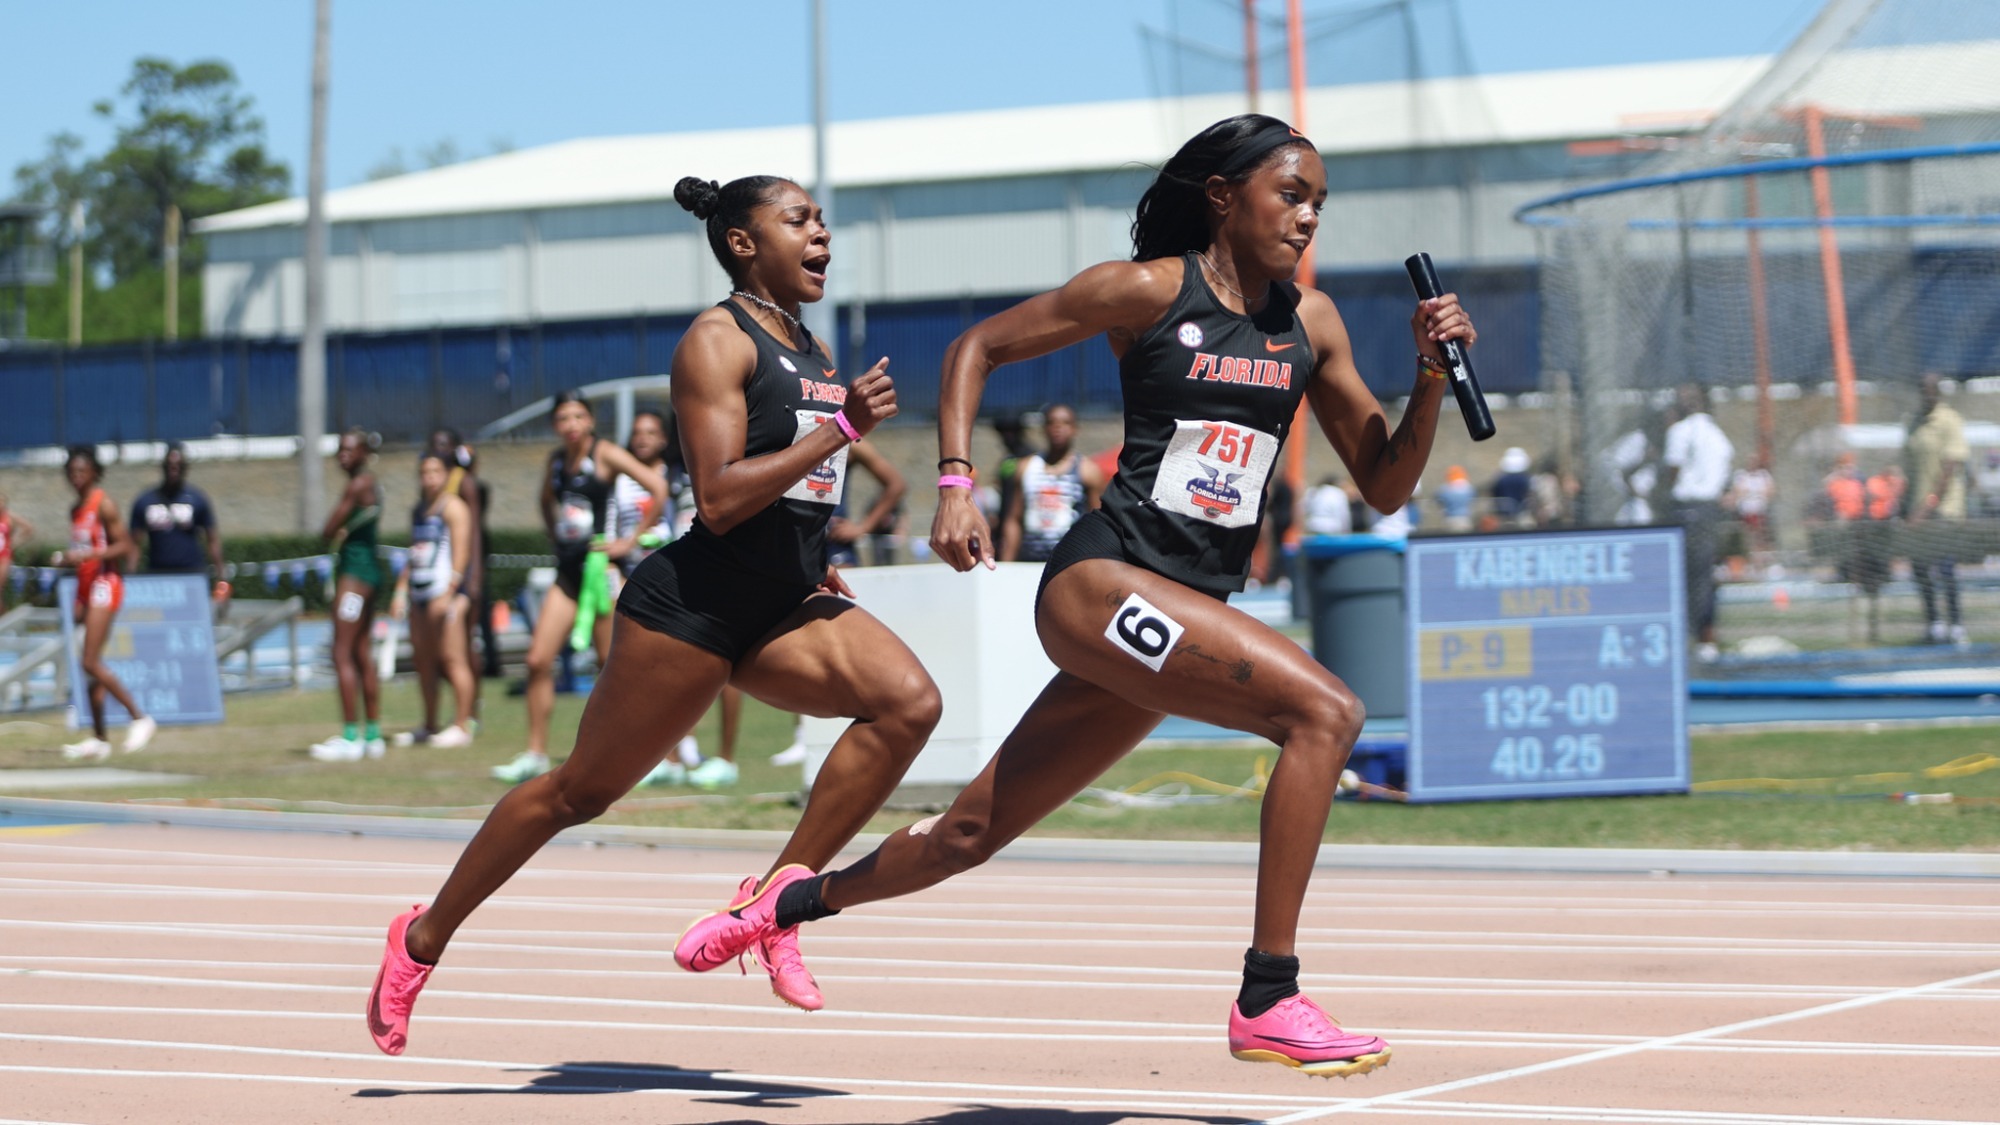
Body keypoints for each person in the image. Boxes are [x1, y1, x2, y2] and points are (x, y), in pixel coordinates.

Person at [668, 114, 1474, 1080]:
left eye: (1319, 204)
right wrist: (956, 483)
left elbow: (1385, 483)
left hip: (1181, 610)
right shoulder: (1145, 289)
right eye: (1291, 195)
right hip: (1102, 585)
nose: (1308, 218)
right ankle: (1269, 994)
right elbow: (975, 348)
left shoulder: (1315, 322)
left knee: (967, 835)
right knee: (1326, 712)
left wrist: (1430, 375)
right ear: (1225, 198)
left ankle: (781, 905)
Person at [364, 172, 944, 1058]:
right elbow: (718, 497)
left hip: (783, 602)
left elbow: (798, 485)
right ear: (744, 242)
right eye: (799, 220)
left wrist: (811, 550)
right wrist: (844, 428)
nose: (822, 234)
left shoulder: (812, 348)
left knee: (908, 703)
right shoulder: (715, 340)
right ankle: (420, 938)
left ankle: (774, 905)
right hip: (694, 608)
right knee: (577, 793)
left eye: (823, 220)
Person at [488, 391, 668, 783]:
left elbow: (658, 487)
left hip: (599, 574)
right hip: (568, 573)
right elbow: (545, 499)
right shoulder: (556, 461)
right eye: (563, 418)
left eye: (577, 416)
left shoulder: (605, 454)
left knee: (610, 667)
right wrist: (554, 534)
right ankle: (536, 753)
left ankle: (628, 755)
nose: (570, 425)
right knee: (537, 660)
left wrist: (629, 541)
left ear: (590, 420)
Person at [54, 445, 157, 760]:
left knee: (89, 661)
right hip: (87, 588)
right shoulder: (75, 509)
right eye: (72, 472)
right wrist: (70, 562)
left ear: (94, 473)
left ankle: (140, 718)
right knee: (88, 668)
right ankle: (99, 739)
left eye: (82, 471)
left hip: (106, 584)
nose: (76, 477)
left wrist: (89, 555)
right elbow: (83, 551)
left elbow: (126, 546)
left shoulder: (103, 503)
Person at [312, 429, 388, 762]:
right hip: (370, 574)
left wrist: (337, 531)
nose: (342, 455)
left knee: (341, 651)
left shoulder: (357, 485)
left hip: (355, 576)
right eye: (340, 449)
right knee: (361, 652)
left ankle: (350, 736)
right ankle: (372, 734)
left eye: (349, 449)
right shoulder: (373, 484)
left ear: (364, 453)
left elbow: (327, 531)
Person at [394, 452, 477, 749]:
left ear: (446, 474)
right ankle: (429, 724)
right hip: (419, 594)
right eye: (424, 472)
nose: (429, 478)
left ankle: (462, 725)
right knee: (424, 662)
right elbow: (414, 552)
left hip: (443, 594)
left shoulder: (453, 507)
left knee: (453, 659)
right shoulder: (419, 510)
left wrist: (451, 591)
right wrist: (400, 590)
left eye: (435, 472)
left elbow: (463, 553)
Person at [1659, 383, 1734, 663]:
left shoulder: (1681, 431)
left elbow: (1673, 469)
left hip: (1688, 511)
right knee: (1704, 575)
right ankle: (1704, 638)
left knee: (1686, 575)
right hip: (1708, 511)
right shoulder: (1718, 435)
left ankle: (1689, 635)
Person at [1903, 373, 1969, 645]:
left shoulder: (1949, 420)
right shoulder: (1913, 422)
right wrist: (1907, 505)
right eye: (1923, 389)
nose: (1926, 394)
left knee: (1944, 566)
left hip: (1943, 508)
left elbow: (1949, 469)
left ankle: (1956, 624)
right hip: (1916, 510)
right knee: (1919, 566)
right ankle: (1934, 623)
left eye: (1931, 389)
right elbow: (1909, 468)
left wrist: (1929, 505)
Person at [1000, 403, 1107, 562]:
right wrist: (1006, 564)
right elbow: (1014, 520)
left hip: (1070, 560)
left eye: (1065, 423)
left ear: (1075, 429)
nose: (1058, 428)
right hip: (1030, 559)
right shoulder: (1025, 468)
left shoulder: (1088, 471)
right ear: (1044, 428)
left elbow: (1097, 525)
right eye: (1052, 423)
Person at [130, 443, 225, 598]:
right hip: (158, 576)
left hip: (192, 575)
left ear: (185, 469)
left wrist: (222, 578)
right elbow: (134, 544)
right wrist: (130, 577)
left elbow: (212, 539)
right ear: (163, 468)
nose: (174, 470)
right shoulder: (146, 500)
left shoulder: (197, 498)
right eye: (170, 466)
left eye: (178, 466)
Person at [1726, 455, 1774, 555]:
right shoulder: (1741, 475)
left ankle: (1761, 552)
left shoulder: (1764, 475)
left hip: (1760, 510)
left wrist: (1750, 493)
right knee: (1747, 533)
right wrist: (1756, 493)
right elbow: (1738, 491)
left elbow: (1770, 491)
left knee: (1760, 533)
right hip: (1744, 510)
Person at [0, 492, 31, 610]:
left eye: (2, 501)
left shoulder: (9, 517)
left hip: (4, 556)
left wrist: (13, 544)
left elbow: (28, 529)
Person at [1489, 446, 1532, 526]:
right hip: (1520, 513)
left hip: (1503, 513)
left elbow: (1494, 493)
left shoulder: (1501, 479)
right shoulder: (1525, 479)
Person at [1436, 465, 1475, 532]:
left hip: (1450, 517)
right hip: (1464, 518)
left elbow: (1438, 497)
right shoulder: (1469, 488)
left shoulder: (1445, 488)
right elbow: (1473, 497)